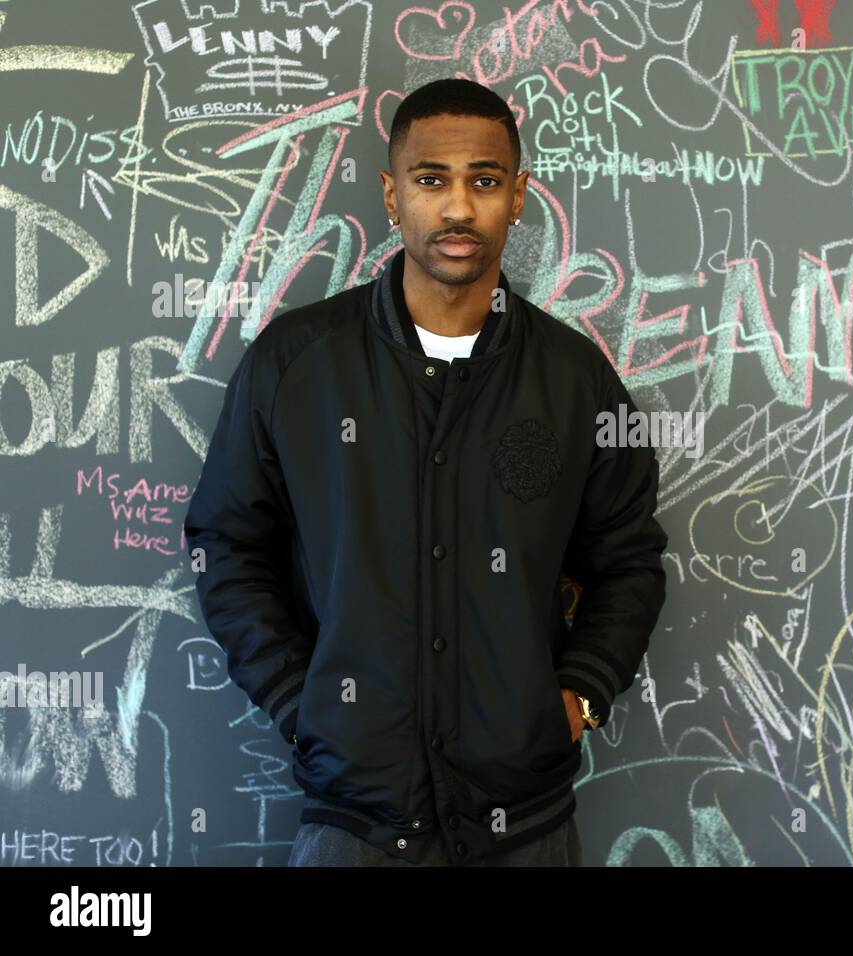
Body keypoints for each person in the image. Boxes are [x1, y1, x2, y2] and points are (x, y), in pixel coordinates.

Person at [183, 78, 669, 867]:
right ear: (391, 193)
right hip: (354, 818)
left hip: (526, 821)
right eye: (430, 179)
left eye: (484, 181)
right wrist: (300, 702)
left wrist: (577, 695)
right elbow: (226, 541)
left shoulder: (574, 380)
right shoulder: (297, 365)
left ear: (517, 197)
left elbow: (630, 555)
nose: (456, 208)